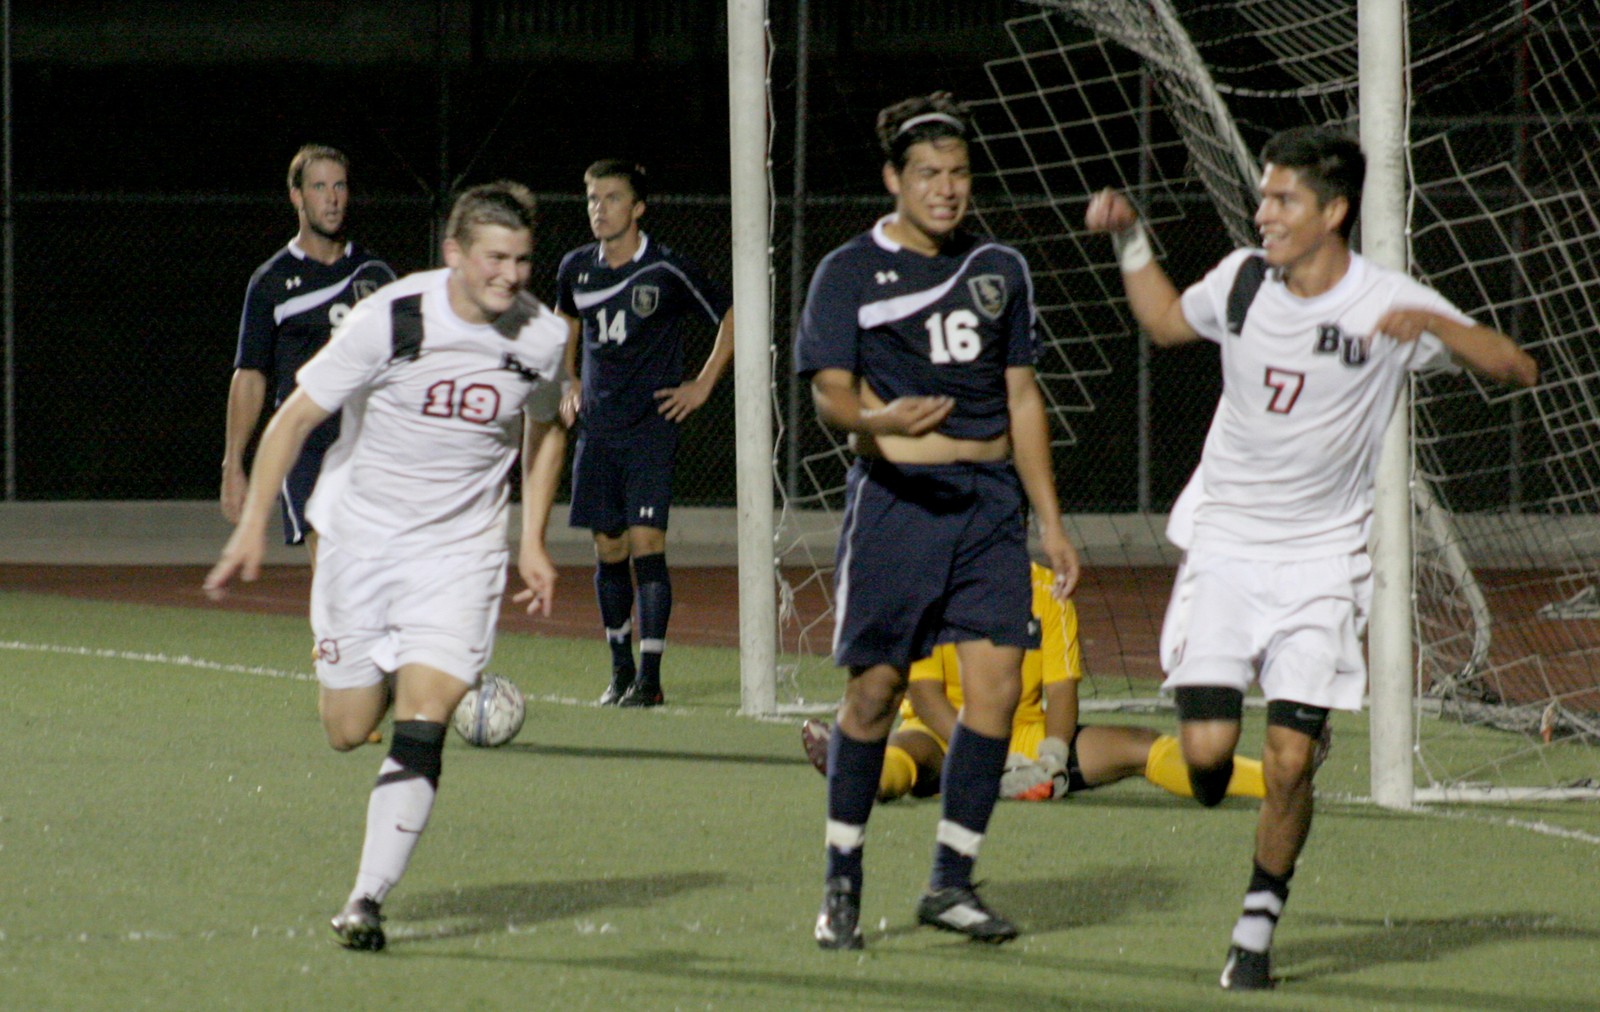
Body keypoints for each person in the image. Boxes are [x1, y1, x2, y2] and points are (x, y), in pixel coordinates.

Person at [1084, 125, 1538, 990]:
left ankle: (1255, 929)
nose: (1264, 213)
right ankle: (1218, 766)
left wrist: (1435, 324)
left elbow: (1514, 365)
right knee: (1212, 754)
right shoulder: (1244, 281)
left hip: (1324, 564)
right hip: (1224, 549)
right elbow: (1166, 322)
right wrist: (1129, 235)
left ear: (1332, 212)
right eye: (1263, 196)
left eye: (1283, 199)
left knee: (1289, 760)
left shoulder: (1386, 300)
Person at [204, 181, 570, 953]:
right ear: (455, 256)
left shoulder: (543, 336)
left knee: (424, 721)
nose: (511, 276)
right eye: (495, 259)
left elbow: (545, 432)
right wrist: (255, 525)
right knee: (345, 728)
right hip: (360, 541)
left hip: (461, 553)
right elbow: (296, 416)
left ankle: (366, 898)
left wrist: (531, 538)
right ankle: (388, 669)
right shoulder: (393, 317)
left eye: (524, 260)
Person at [794, 92, 1080, 950]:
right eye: (928, 175)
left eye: (958, 174)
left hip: (991, 510)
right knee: (875, 691)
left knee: (994, 690)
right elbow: (829, 394)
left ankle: (950, 883)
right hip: (898, 506)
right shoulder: (848, 271)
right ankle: (841, 881)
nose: (947, 190)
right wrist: (881, 423)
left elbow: (1024, 397)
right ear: (894, 180)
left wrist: (1052, 524)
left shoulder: (1003, 267)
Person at [800, 563, 1272, 804]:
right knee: (909, 751)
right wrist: (989, 758)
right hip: (946, 734)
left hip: (1028, 734)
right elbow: (924, 697)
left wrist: (1051, 757)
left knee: (1139, 744)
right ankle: (857, 774)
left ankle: (1277, 779)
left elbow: (1062, 690)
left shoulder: (1046, 589)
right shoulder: (929, 586)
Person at [555, 159, 734, 708]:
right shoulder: (575, 268)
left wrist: (702, 384)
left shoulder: (666, 269)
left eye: (611, 198)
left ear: (637, 208)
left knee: (646, 544)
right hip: (598, 430)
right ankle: (620, 670)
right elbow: (567, 323)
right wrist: (570, 379)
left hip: (651, 429)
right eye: (591, 198)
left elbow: (731, 314)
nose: (599, 209)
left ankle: (651, 678)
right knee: (608, 548)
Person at [222, 144, 396, 560]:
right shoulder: (272, 281)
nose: (332, 197)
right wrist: (234, 463)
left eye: (339, 186)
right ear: (297, 197)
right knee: (333, 569)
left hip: (370, 444)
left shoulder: (376, 274)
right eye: (319, 187)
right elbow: (249, 375)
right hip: (308, 446)